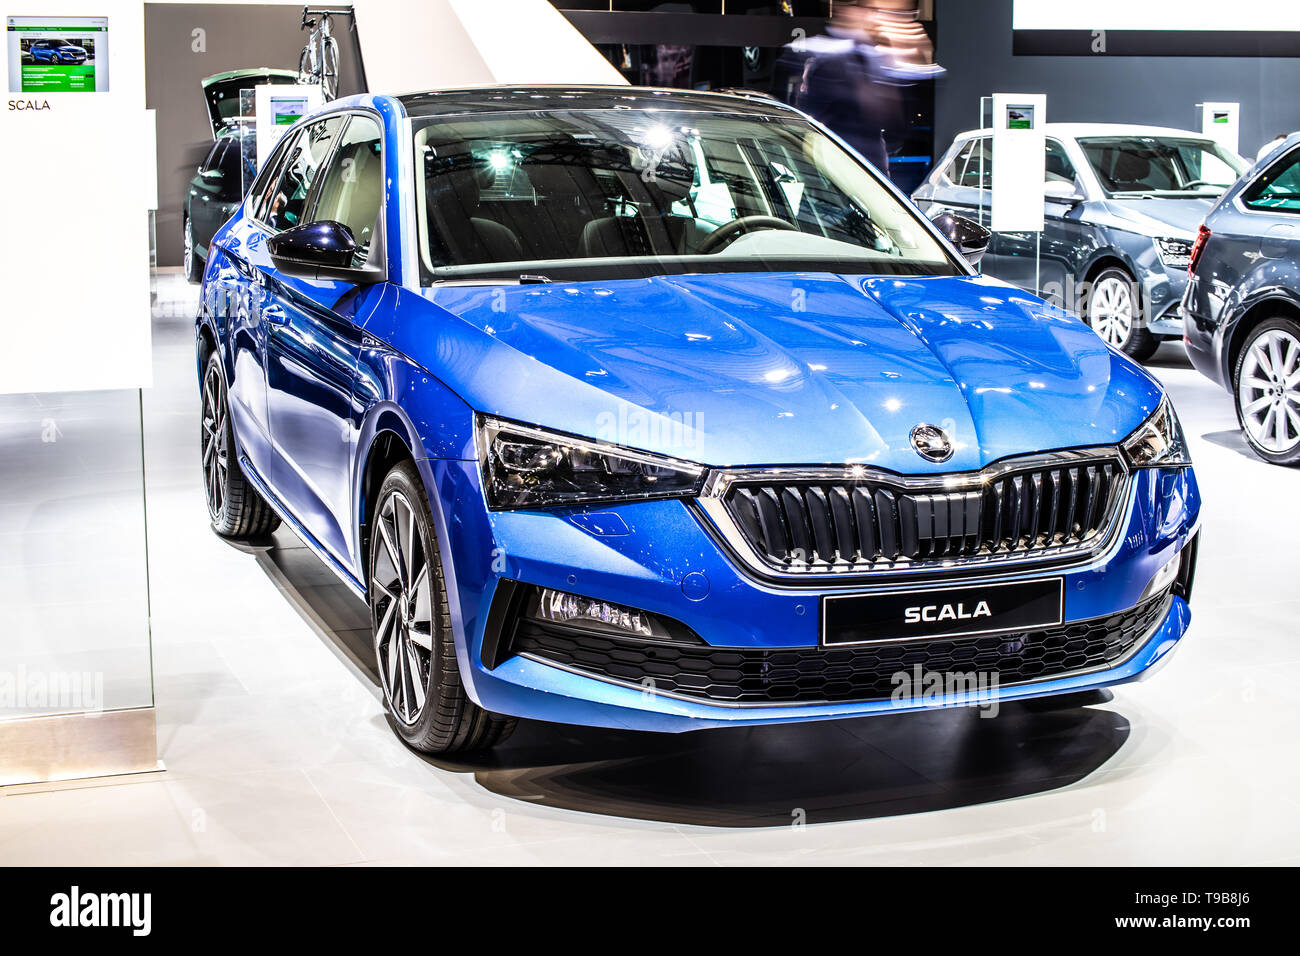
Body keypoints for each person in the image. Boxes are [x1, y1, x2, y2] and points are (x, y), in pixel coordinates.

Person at [781, 0, 943, 177]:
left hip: (871, 176)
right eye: (873, 10)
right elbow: (798, 117)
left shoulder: (878, 59)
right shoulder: (818, 53)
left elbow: (897, 129)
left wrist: (910, 67)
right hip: (829, 173)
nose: (876, 17)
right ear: (847, 10)